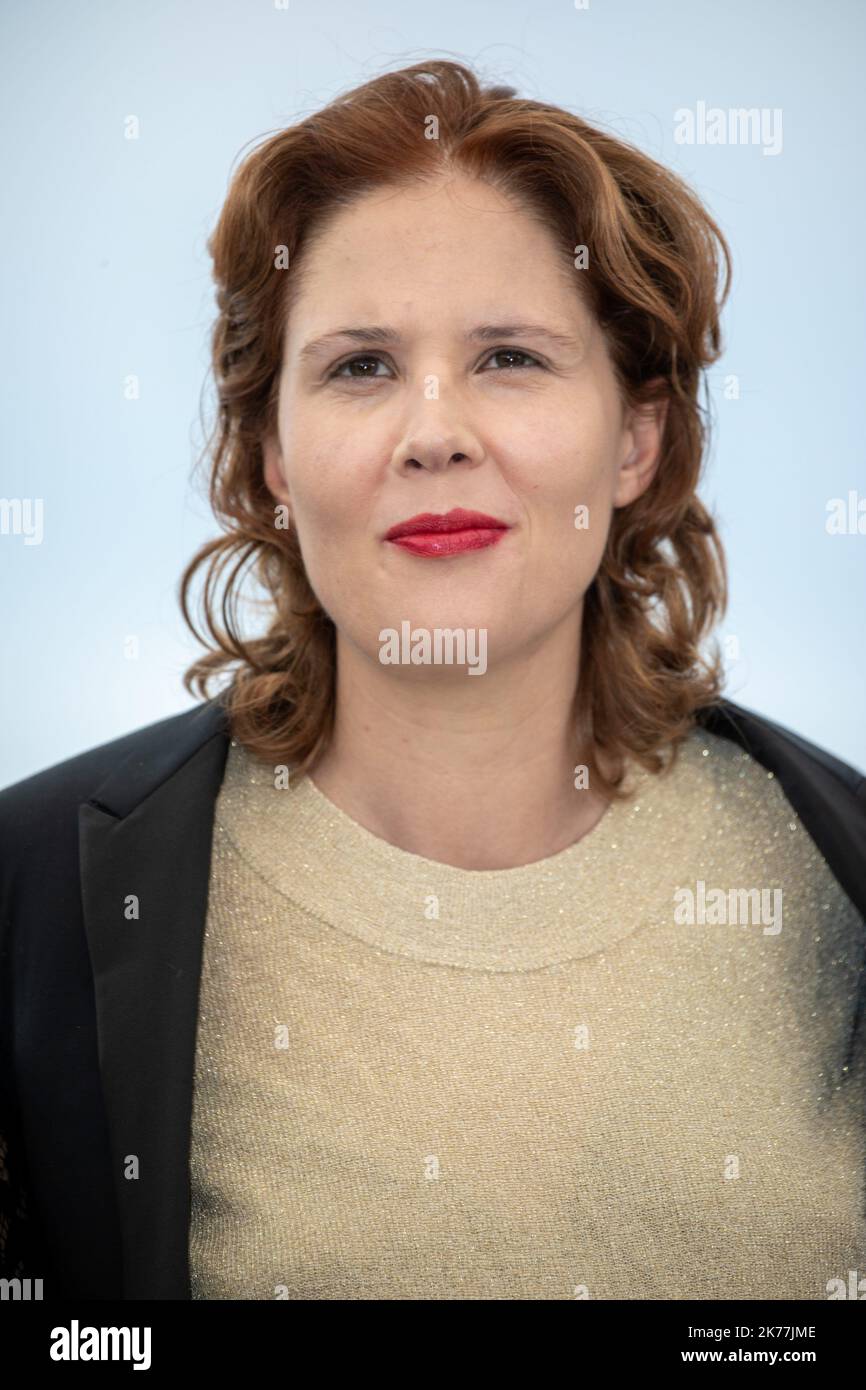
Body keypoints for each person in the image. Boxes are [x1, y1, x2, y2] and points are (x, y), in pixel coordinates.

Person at [1, 59, 864, 1302]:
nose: (434, 429)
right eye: (358, 366)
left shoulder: (833, 873)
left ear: (635, 439)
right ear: (269, 456)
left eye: (509, 356)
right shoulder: (31, 894)